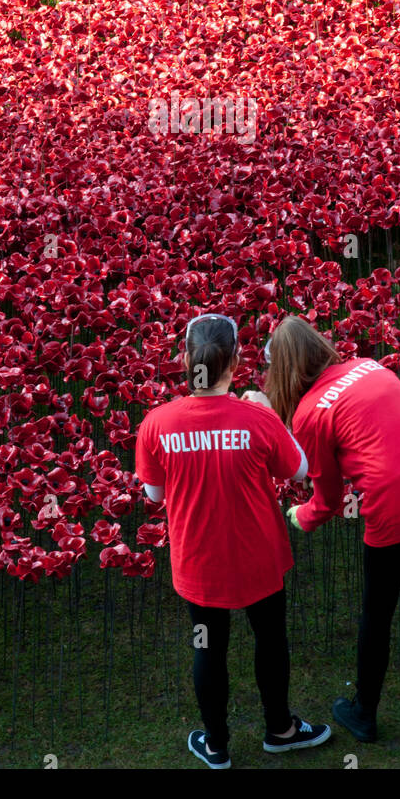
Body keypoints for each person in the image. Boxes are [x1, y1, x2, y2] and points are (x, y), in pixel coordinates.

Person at [263, 316, 400, 744]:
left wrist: (299, 515)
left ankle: (364, 713)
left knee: (377, 613)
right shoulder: (371, 366)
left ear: (283, 369)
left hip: (397, 504)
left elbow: (326, 501)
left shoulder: (309, 412)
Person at [135, 313, 332, 768]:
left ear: (185, 359)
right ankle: (280, 729)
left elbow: (153, 493)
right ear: (237, 360)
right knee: (270, 639)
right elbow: (300, 471)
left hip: (200, 563)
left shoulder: (157, 423)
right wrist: (267, 411)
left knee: (207, 647)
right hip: (259, 556)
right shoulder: (256, 419)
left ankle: (217, 744)